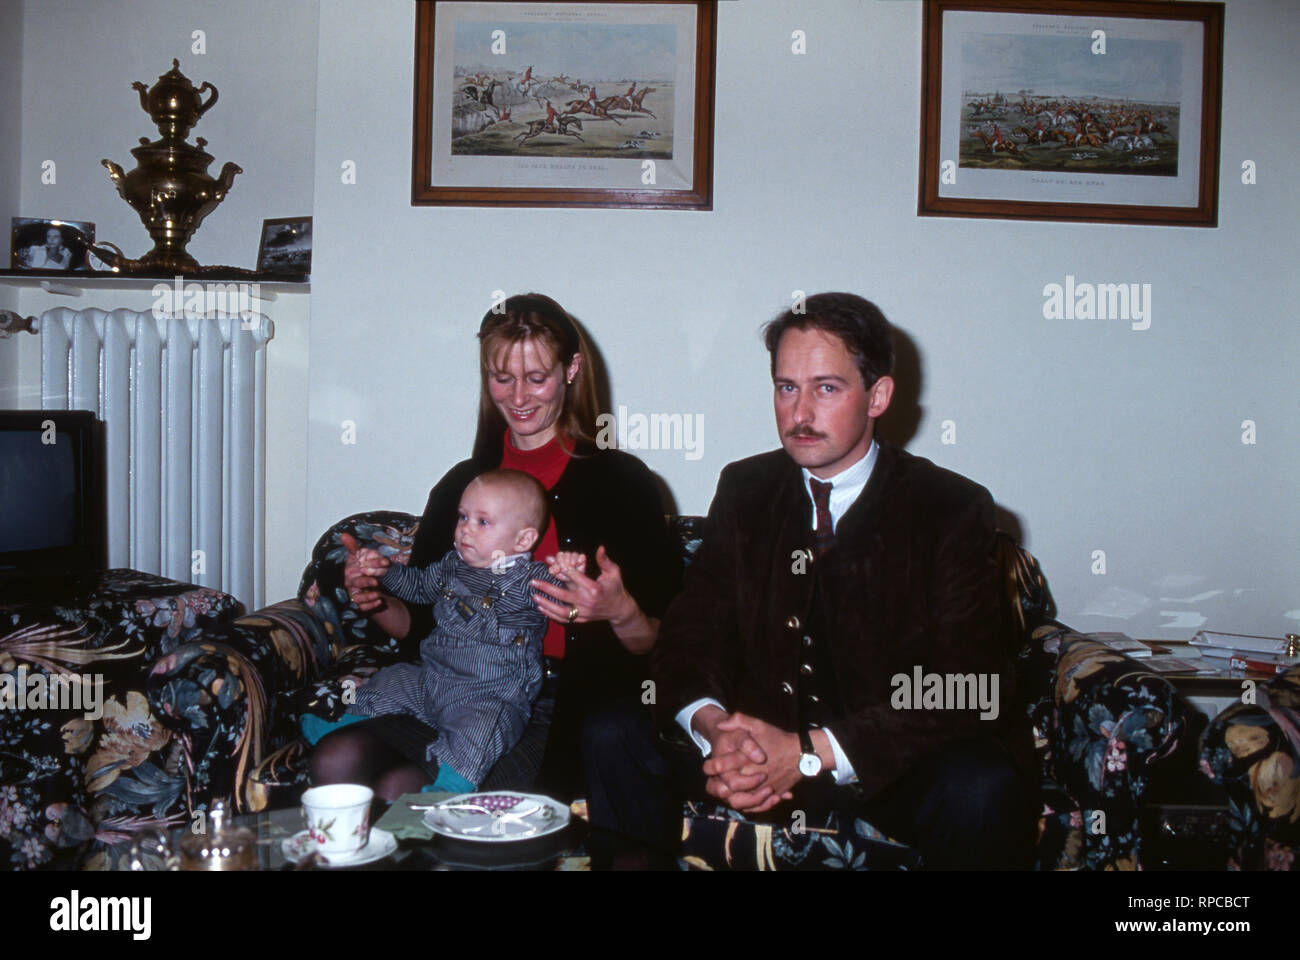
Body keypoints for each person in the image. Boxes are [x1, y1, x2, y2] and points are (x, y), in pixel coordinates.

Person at [601, 292, 1035, 868]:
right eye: (786, 387)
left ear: (877, 395)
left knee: (979, 787)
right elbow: (690, 633)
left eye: (826, 388)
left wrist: (810, 753)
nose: (800, 412)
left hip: (888, 762)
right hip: (755, 745)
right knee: (613, 731)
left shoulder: (950, 507)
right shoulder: (746, 489)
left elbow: (971, 683)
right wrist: (715, 730)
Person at [330, 293, 682, 803]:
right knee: (337, 757)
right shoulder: (462, 486)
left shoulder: (623, 484)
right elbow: (428, 622)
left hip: (555, 702)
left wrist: (620, 611)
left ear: (571, 369)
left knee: (407, 790)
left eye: (536, 377)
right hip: (450, 690)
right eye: (502, 377)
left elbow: (668, 643)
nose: (519, 396)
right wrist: (378, 596)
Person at [309, 469, 570, 797]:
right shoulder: (452, 564)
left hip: (488, 692)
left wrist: (567, 576)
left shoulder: (526, 580)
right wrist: (387, 571)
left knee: (482, 731)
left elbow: (564, 600)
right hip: (433, 678)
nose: (465, 530)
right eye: (463, 517)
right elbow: (417, 588)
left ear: (523, 540)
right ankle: (343, 720)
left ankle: (451, 784)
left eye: (482, 522)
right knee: (390, 681)